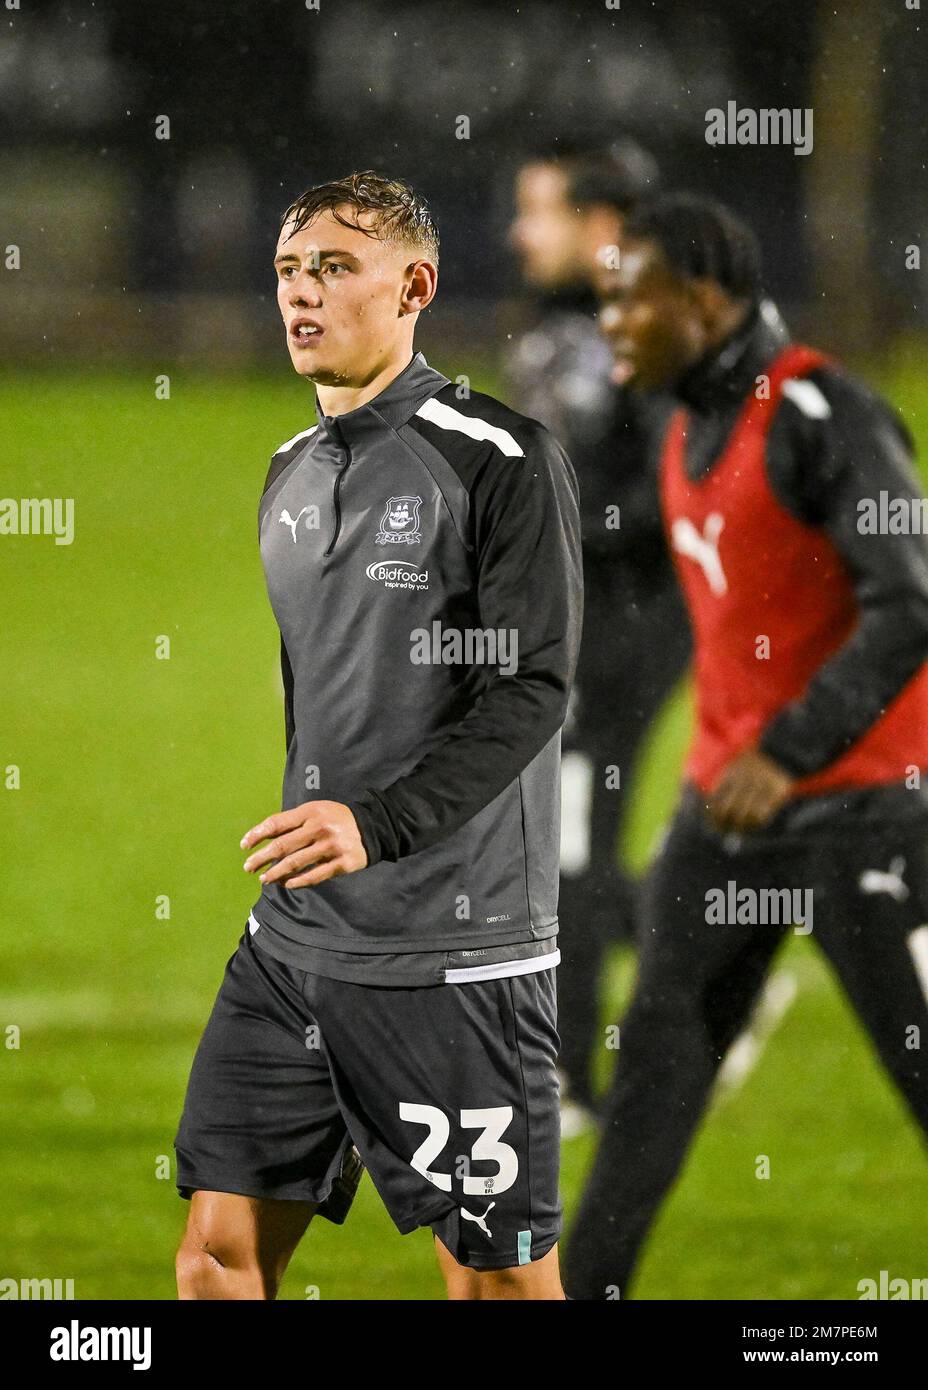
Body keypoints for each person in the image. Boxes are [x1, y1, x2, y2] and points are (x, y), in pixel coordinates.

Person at [173, 171, 583, 1300]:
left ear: (415, 287)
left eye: (335, 269)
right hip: (296, 942)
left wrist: (379, 822)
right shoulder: (286, 473)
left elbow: (530, 691)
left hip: (461, 954)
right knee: (217, 1254)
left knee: (495, 1282)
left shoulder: (499, 459)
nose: (302, 295)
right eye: (289, 272)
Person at [567, 193, 928, 1299]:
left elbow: (910, 597)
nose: (610, 320)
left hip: (869, 819)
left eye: (632, 297)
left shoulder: (823, 411)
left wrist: (790, 744)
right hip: (723, 826)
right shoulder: (682, 424)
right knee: (649, 1093)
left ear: (707, 298)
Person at [508, 145, 689, 1126]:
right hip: (575, 613)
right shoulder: (564, 324)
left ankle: (566, 1080)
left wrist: (556, 528)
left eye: (538, 211)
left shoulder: (653, 328)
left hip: (630, 621)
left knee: (566, 834)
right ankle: (714, 945)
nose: (518, 232)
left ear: (601, 225)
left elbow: (669, 493)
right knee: (558, 834)